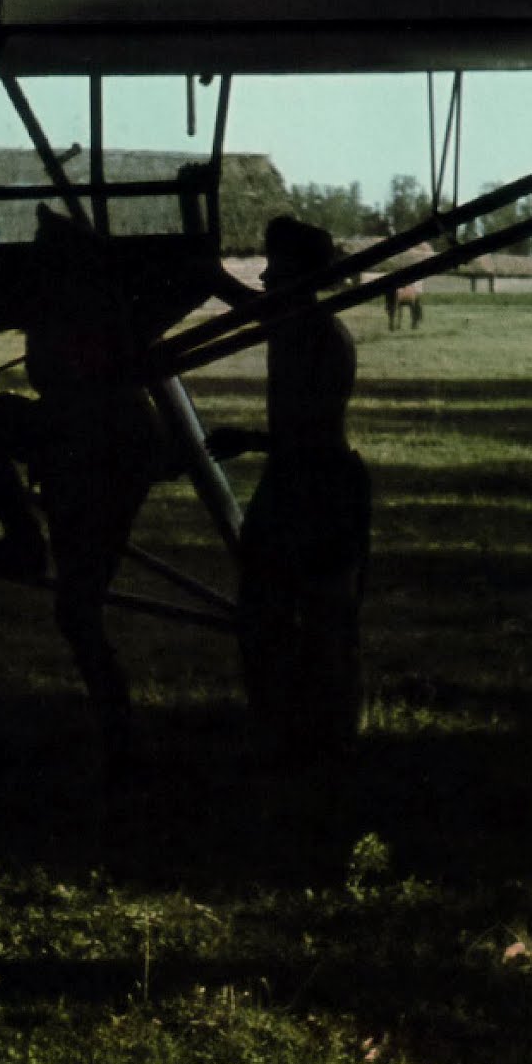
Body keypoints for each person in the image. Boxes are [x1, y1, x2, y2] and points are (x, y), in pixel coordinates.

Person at [0, 205, 168, 774]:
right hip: (92, 440)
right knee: (78, 607)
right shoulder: (88, 294)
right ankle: (119, 737)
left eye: (45, 243)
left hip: (96, 450)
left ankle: (122, 742)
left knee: (77, 608)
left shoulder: (67, 297)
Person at [208, 216, 371, 759]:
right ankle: (320, 740)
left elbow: (306, 432)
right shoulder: (308, 324)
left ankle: (303, 741)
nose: (265, 277)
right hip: (317, 483)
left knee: (282, 618)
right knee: (317, 621)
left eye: (275, 266)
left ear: (298, 273)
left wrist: (248, 438)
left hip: (310, 486)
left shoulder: (308, 331)